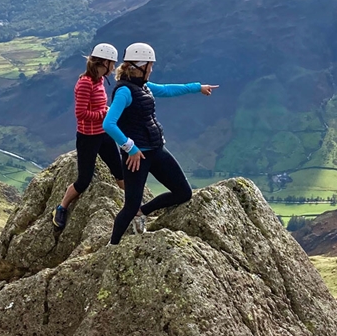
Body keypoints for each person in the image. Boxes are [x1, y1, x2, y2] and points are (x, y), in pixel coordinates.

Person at [102, 42, 218, 245]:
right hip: (136, 157)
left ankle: (143, 211)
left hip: (157, 150)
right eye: (150, 65)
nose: (152, 69)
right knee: (129, 206)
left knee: (183, 193)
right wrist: (131, 148)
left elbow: (167, 90)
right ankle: (112, 246)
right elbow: (109, 124)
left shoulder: (143, 86)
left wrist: (198, 87)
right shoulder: (124, 92)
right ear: (140, 66)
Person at [52, 43, 125, 230]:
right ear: (105, 62)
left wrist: (104, 113)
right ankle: (61, 207)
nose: (114, 67)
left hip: (103, 134)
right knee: (84, 180)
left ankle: (134, 205)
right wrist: (104, 114)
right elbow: (81, 114)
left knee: (119, 171)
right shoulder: (85, 83)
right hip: (88, 137)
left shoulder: (99, 80)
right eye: (113, 63)